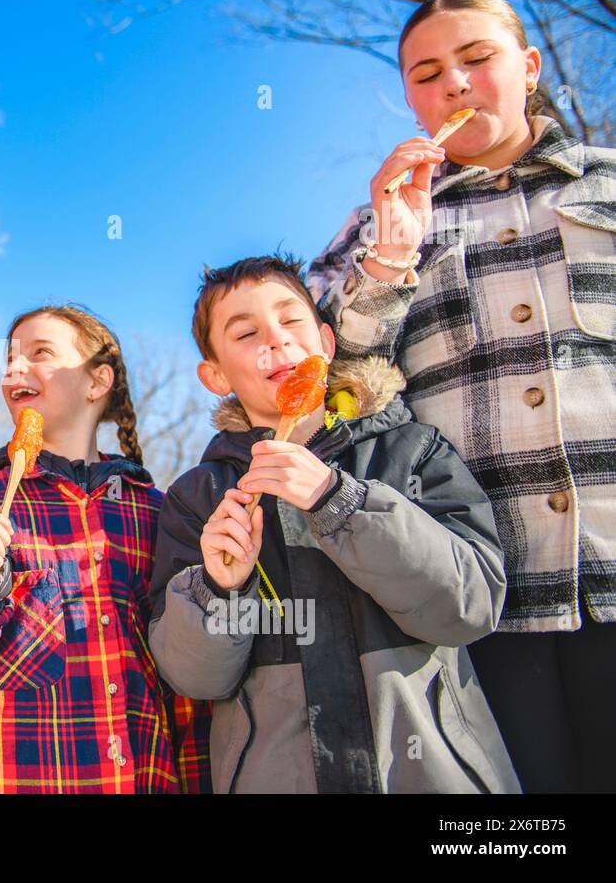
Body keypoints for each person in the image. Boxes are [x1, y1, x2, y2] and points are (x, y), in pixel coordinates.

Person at [307, 0, 616, 792]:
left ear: (529, 66)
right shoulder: (373, 223)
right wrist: (387, 261)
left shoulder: (608, 186)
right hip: (481, 603)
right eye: (427, 72)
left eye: (477, 58)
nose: (456, 83)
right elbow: (329, 390)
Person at [150, 255, 518, 793]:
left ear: (326, 342)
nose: (274, 341)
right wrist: (221, 589)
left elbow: (470, 604)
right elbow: (195, 678)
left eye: (290, 320)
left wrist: (338, 501)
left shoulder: (411, 450)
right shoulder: (198, 498)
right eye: (246, 332)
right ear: (215, 376)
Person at [0, 305, 209, 793]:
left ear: (97, 381)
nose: (14, 371)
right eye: (10, 360)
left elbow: (184, 684)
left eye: (39, 354)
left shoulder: (155, 512)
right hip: (8, 776)